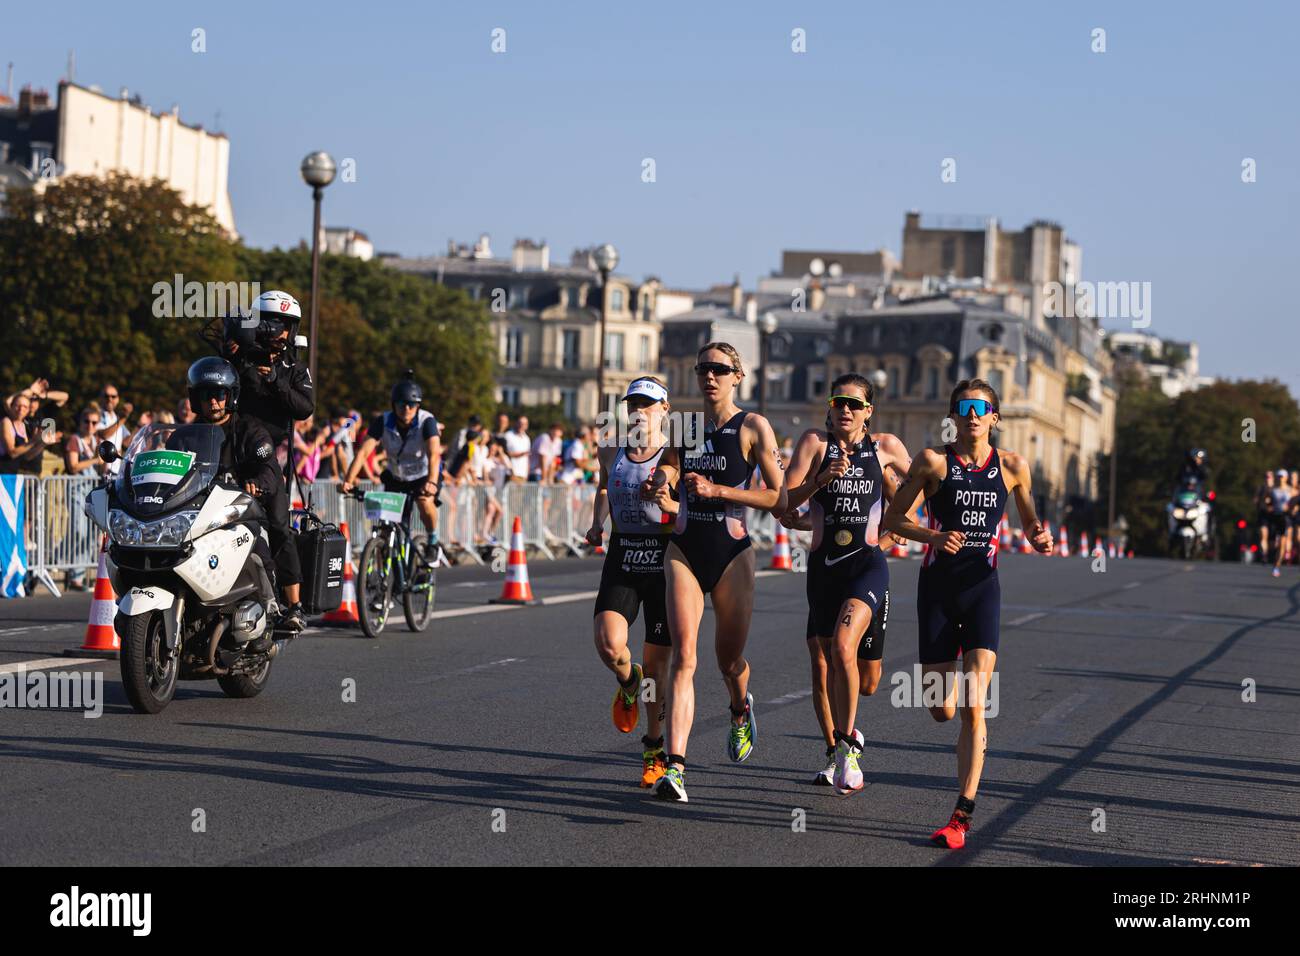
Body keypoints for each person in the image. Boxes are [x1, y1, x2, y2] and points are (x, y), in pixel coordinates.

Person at [883, 379, 1053, 849]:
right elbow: (894, 520)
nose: (973, 415)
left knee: (977, 705)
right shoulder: (933, 463)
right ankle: (964, 725)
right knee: (942, 709)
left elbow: (1029, 519)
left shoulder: (1013, 466)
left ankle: (961, 814)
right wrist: (933, 538)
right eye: (964, 407)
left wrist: (1039, 535)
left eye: (982, 408)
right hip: (938, 590)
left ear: (995, 417)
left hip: (982, 589)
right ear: (953, 416)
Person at [650, 342, 788, 803]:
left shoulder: (753, 426)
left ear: (737, 376)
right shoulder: (685, 425)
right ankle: (676, 769)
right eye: (703, 369)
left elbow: (777, 497)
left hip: (732, 553)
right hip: (685, 548)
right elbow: (670, 465)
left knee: (728, 661)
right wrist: (663, 479)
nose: (710, 377)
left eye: (719, 370)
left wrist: (719, 488)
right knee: (684, 656)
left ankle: (739, 706)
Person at [779, 373, 912, 792]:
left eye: (855, 404)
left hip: (867, 567)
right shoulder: (815, 444)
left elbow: (924, 490)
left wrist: (893, 530)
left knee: (863, 676)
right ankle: (840, 750)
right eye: (839, 402)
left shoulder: (886, 447)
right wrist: (820, 481)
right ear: (830, 406)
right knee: (826, 662)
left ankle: (845, 743)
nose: (846, 410)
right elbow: (784, 501)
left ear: (868, 412)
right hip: (823, 570)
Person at [585, 377, 679, 788]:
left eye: (648, 403)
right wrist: (596, 523)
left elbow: (690, 509)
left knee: (659, 669)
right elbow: (604, 486)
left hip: (663, 561)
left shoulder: (675, 454)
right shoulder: (611, 448)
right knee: (609, 643)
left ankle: (654, 750)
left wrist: (668, 503)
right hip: (623, 554)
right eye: (633, 403)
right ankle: (627, 682)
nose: (639, 410)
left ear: (665, 410)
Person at [222, 291, 315, 631]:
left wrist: (274, 380)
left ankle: (293, 605)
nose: (280, 332)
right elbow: (214, 389)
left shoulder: (294, 368)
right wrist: (229, 354)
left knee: (278, 524)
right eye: (273, 323)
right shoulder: (238, 358)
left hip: (269, 459)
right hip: (231, 450)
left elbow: (305, 408)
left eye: (287, 326)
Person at [341, 373, 441, 549]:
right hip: (396, 477)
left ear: (418, 406)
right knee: (387, 527)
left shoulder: (427, 421)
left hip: (423, 476)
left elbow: (434, 453)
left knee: (425, 502)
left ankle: (432, 540)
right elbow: (363, 452)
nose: (407, 409)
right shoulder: (383, 421)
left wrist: (432, 482)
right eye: (402, 404)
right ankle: (382, 561)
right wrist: (348, 480)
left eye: (412, 405)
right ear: (394, 405)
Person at [1, 392, 60, 474]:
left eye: (25, 407)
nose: (21, 409)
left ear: (28, 410)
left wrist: (43, 443)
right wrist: (33, 441)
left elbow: (26, 456)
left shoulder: (22, 425)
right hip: (3, 474)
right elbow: (12, 453)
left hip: (16, 476)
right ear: (11, 406)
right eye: (18, 405)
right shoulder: (6, 422)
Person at [1266, 469, 1293, 577]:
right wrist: (1268, 505)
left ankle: (1277, 566)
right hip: (1274, 517)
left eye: (1282, 476)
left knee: (1282, 544)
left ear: (1286, 478)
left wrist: (1292, 508)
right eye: (1279, 476)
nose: (1280, 478)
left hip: (1285, 517)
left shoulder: (1291, 490)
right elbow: (1267, 502)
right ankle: (1273, 558)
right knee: (1272, 545)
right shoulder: (1273, 490)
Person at [503, 416, 531, 482]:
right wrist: (520, 454)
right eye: (520, 423)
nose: (522, 425)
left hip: (523, 474)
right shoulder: (508, 435)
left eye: (524, 424)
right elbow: (504, 453)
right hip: (509, 473)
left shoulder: (527, 439)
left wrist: (527, 474)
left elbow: (527, 458)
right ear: (516, 423)